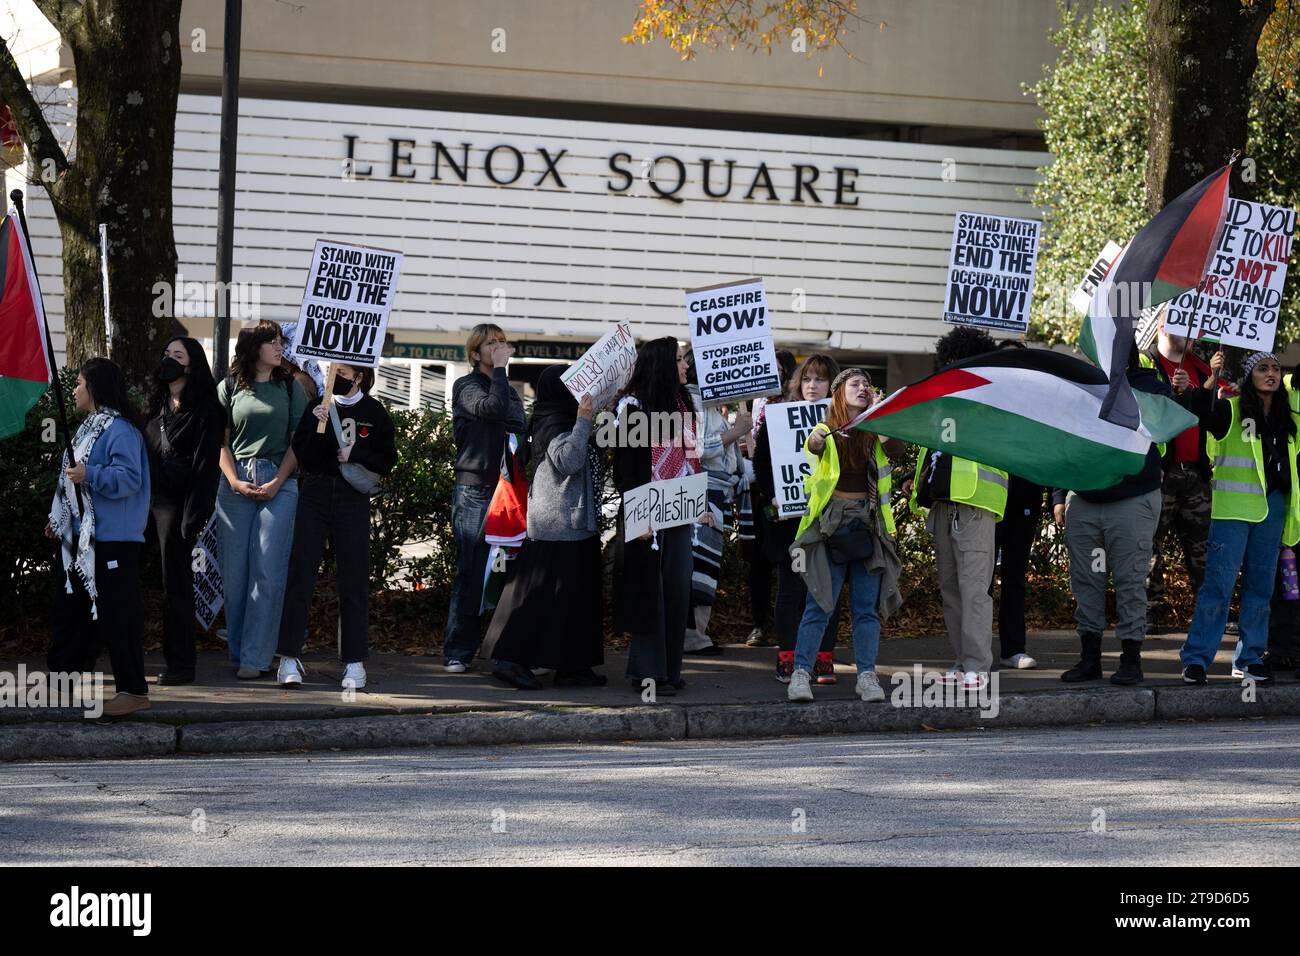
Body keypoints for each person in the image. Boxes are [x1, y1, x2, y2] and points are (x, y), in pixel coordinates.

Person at [1177, 350, 1299, 684]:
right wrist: (1209, 380)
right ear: (1249, 377)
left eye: (1275, 368)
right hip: (1232, 513)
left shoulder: (1289, 418)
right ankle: (1196, 659)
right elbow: (1201, 412)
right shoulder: (1230, 410)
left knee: (1261, 589)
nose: (1271, 373)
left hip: (1272, 512)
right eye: (1262, 368)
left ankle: (1249, 658)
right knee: (1218, 586)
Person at [484, 365, 607, 689]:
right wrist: (583, 419)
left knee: (575, 599)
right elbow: (569, 461)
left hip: (575, 523)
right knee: (539, 598)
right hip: (558, 523)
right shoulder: (553, 423)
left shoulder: (561, 419)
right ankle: (510, 661)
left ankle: (572, 665)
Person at [786, 368, 905, 703]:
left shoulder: (873, 429)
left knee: (866, 608)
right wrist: (818, 441)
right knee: (820, 603)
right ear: (839, 393)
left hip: (868, 525)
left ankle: (866, 677)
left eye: (867, 384)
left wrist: (880, 417)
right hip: (831, 526)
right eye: (855, 384)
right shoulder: (826, 428)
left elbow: (895, 450)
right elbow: (813, 444)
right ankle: (800, 674)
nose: (864, 388)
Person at [276, 363, 397, 689]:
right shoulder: (319, 407)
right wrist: (317, 426)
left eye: (342, 372)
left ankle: (354, 662)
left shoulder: (374, 411)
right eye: (332, 370)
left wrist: (357, 453)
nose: (335, 377)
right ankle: (288, 657)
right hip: (315, 493)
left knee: (354, 579)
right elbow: (302, 452)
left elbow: (388, 458)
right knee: (301, 574)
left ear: (358, 376)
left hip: (352, 499)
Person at [1055, 350, 1170, 685]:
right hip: (1086, 502)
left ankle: (1131, 662)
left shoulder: (1148, 386)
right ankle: (1089, 660)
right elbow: (1060, 444)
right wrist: (1060, 496)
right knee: (1087, 583)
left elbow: (1168, 416)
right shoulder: (1076, 390)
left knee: (1129, 583)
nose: (1093, 362)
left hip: (1131, 502)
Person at [46, 358, 152, 718]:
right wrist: (59, 519)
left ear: (95, 388)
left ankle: (134, 690)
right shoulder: (90, 428)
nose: (74, 389)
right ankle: (62, 682)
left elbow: (129, 479)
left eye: (78, 383)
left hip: (114, 539)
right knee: (72, 609)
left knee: (118, 614)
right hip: (84, 538)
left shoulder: (119, 430)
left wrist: (90, 473)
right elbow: (68, 480)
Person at [906, 327, 1008, 691]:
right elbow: (934, 452)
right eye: (948, 362)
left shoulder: (989, 400)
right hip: (943, 503)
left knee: (973, 589)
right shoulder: (944, 401)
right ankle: (963, 661)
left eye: (959, 361)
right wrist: (917, 483)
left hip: (975, 503)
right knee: (951, 588)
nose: (952, 367)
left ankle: (978, 666)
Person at [612, 337, 713, 696]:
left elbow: (690, 460)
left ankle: (670, 671)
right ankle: (647, 673)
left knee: (676, 592)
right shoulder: (632, 407)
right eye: (681, 361)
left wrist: (699, 505)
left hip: (679, 511)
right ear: (662, 365)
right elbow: (624, 469)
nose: (686, 366)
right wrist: (640, 519)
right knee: (649, 595)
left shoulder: (682, 404)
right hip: (646, 517)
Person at [215, 320, 308, 679]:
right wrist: (234, 480)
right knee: (236, 576)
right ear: (253, 347)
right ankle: (240, 653)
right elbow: (218, 440)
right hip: (235, 482)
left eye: (281, 341)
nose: (279, 346)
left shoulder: (290, 387)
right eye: (271, 341)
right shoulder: (227, 387)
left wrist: (278, 480)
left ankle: (257, 658)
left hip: (279, 483)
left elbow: (297, 442)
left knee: (267, 572)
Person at [754, 353, 844, 682]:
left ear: (832, 384)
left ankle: (822, 657)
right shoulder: (776, 417)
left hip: (830, 520)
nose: (812, 385)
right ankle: (789, 657)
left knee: (827, 589)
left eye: (819, 379)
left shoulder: (843, 421)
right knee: (791, 589)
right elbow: (762, 465)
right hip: (790, 522)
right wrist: (773, 496)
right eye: (806, 379)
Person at [442, 323, 526, 673]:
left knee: (505, 567)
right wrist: (502, 372)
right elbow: (492, 410)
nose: (499, 347)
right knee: (472, 568)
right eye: (491, 343)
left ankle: (501, 650)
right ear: (475, 353)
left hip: (507, 488)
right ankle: (458, 650)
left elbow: (520, 425)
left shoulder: (508, 388)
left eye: (502, 342)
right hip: (475, 488)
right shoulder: (466, 386)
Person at [143, 337, 223, 685]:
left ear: (191, 365)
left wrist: (193, 516)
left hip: (176, 510)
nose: (169, 360)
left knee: (175, 586)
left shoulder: (206, 409)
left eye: (177, 355)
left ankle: (180, 664)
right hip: (144, 503)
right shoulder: (155, 405)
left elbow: (206, 468)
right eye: (166, 353)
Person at [1141, 310, 1217, 632]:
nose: (1189, 329)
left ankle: (1208, 615)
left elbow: (1207, 411)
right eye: (1179, 320)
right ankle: (1149, 613)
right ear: (1161, 325)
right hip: (1161, 473)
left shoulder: (1200, 366)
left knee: (1202, 548)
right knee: (1150, 545)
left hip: (1195, 473)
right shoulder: (1147, 363)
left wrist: (1211, 381)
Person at [683, 352, 752, 657]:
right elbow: (695, 447)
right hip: (703, 491)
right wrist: (735, 432)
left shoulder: (704, 402)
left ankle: (695, 635)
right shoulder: (693, 400)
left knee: (704, 566)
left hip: (714, 490)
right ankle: (691, 637)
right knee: (700, 566)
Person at [743, 349, 796, 647]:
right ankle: (760, 623)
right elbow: (753, 445)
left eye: (775, 368)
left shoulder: (795, 402)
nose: (769, 373)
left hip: (791, 488)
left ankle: (791, 624)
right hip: (764, 489)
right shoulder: (758, 401)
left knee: (790, 557)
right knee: (760, 558)